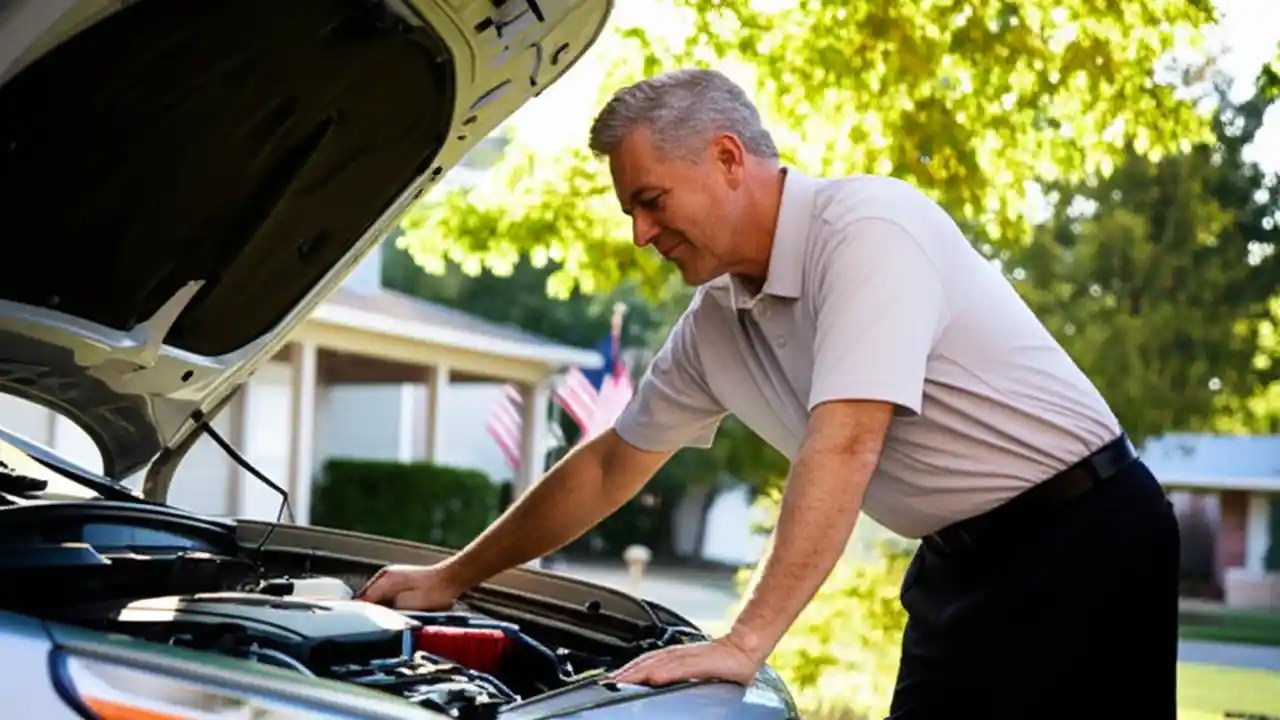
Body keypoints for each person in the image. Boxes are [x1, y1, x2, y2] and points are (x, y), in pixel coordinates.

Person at [358, 68, 1180, 718]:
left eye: (650, 201)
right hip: (954, 571)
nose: (639, 234)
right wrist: (451, 576)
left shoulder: (868, 231)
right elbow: (610, 465)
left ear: (725, 157)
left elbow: (847, 441)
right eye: (629, 211)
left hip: (1087, 544)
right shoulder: (716, 318)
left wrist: (747, 639)